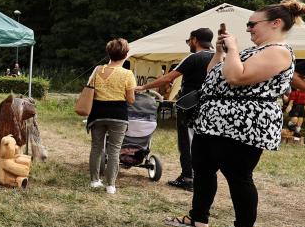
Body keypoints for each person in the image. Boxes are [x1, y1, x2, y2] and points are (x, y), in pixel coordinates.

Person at [166, 0, 305, 227]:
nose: (248, 28)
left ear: (275, 23)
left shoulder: (278, 51)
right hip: (214, 119)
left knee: (238, 175)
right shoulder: (251, 50)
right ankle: (198, 219)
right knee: (202, 168)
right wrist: (221, 52)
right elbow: (213, 73)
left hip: (246, 123)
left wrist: (232, 49)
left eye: (252, 24)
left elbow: (236, 77)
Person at [137, 28, 215, 190]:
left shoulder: (194, 57)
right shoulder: (220, 57)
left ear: (194, 40)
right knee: (205, 143)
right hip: (212, 107)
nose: (189, 44)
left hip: (190, 105)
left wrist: (144, 86)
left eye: (189, 41)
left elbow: (169, 77)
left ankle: (188, 177)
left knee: (187, 141)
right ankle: (202, 177)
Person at [87, 38, 137, 194]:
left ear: (108, 53)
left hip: (97, 114)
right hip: (118, 115)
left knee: (96, 148)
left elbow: (90, 90)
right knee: (114, 150)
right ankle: (110, 186)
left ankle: (95, 181)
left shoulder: (97, 70)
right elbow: (130, 100)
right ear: (126, 54)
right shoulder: (127, 74)